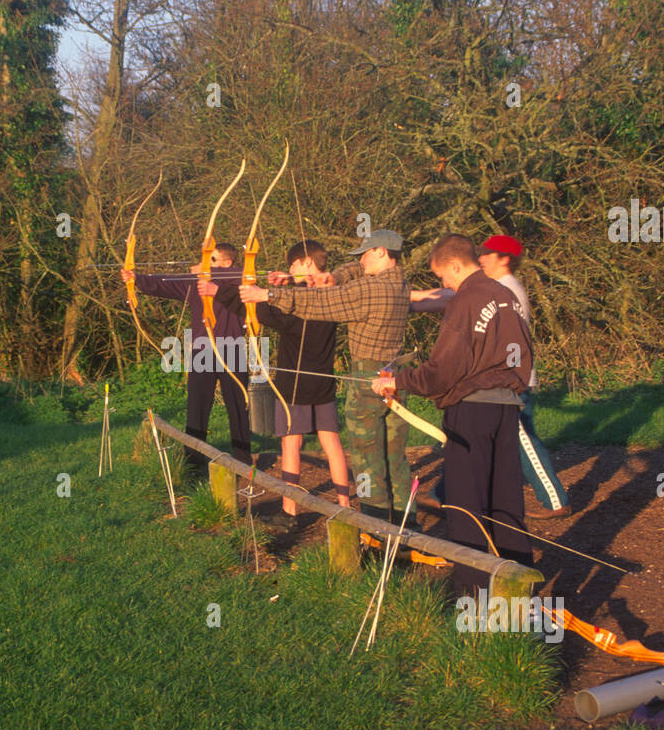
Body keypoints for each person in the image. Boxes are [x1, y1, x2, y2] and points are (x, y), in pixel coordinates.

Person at [372, 233, 533, 593]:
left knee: (465, 502)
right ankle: (518, 581)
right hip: (507, 407)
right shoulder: (504, 295)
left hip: (472, 410)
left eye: (443, 276)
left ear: (456, 265)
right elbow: (523, 354)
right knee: (505, 497)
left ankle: (472, 591)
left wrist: (398, 382)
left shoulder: (467, 300)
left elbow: (443, 369)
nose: (443, 284)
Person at [241, 228, 411, 523]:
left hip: (310, 384)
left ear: (382, 253)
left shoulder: (364, 291)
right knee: (372, 452)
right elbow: (348, 276)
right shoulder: (401, 284)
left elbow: (308, 306)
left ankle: (307, 513)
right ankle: (353, 507)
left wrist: (262, 294)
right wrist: (328, 278)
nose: (362, 262)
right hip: (360, 378)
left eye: (366, 254)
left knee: (351, 453)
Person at [410, 235, 570, 518]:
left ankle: (555, 499)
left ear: (504, 259)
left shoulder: (505, 288)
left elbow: (452, 297)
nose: (482, 257)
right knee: (472, 440)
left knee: (524, 443)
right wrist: (409, 297)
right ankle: (442, 495)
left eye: (489, 254)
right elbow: (450, 295)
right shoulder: (490, 287)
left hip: (507, 382)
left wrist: (413, 297)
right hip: (497, 381)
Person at [202, 240, 351, 528]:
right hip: (324, 384)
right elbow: (290, 300)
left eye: (295, 263)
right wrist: (279, 289)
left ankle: (289, 511)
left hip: (295, 385)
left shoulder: (298, 305)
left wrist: (219, 292)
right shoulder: (334, 297)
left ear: (308, 263)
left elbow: (261, 313)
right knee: (331, 442)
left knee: (290, 444)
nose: (291, 267)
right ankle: (345, 507)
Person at [124, 243, 251, 472]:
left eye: (212, 259)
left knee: (237, 406)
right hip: (203, 350)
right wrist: (136, 279)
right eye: (206, 259)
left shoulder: (241, 281)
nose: (205, 263)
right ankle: (194, 459)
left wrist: (208, 272)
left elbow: (243, 275)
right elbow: (165, 283)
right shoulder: (197, 282)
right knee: (197, 405)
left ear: (227, 263)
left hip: (233, 349)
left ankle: (243, 460)